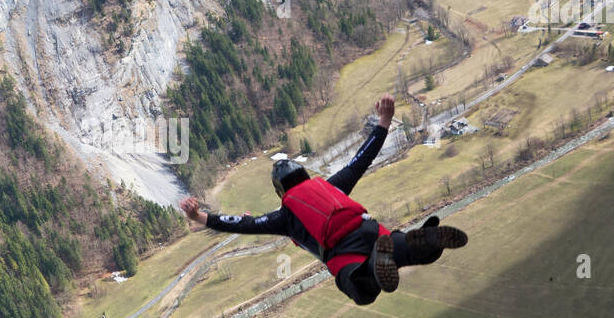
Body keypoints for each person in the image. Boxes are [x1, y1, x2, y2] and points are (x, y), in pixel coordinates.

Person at [177, 94, 467, 305]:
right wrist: (384, 121)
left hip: (343, 250)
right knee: (404, 249)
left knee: (360, 289)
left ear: (281, 191)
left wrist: (200, 218)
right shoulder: (332, 186)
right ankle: (423, 238)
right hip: (370, 228)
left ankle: (374, 264)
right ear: (304, 176)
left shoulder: (286, 216)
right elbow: (361, 159)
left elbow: (244, 224)